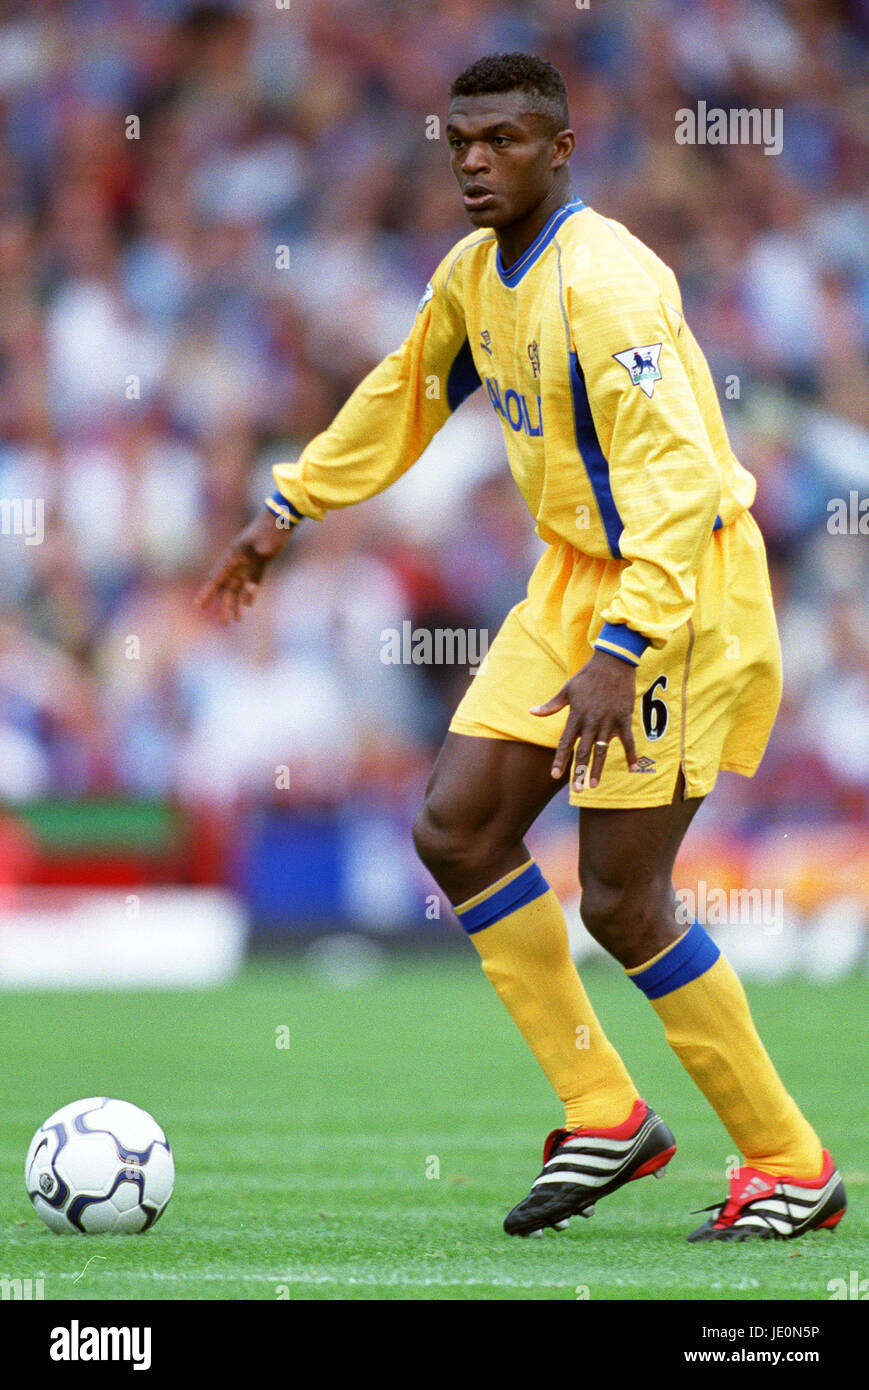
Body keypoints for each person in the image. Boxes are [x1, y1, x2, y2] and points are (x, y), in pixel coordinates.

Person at [197, 53, 845, 1242]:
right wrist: (287, 506)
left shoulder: (606, 286)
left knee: (622, 898)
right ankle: (603, 1110)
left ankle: (789, 1161)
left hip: (675, 587)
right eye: (458, 143)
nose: (474, 163)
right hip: (570, 580)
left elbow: (682, 482)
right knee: (454, 827)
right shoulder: (470, 274)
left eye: (500, 140)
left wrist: (623, 643)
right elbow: (403, 391)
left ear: (560, 147)